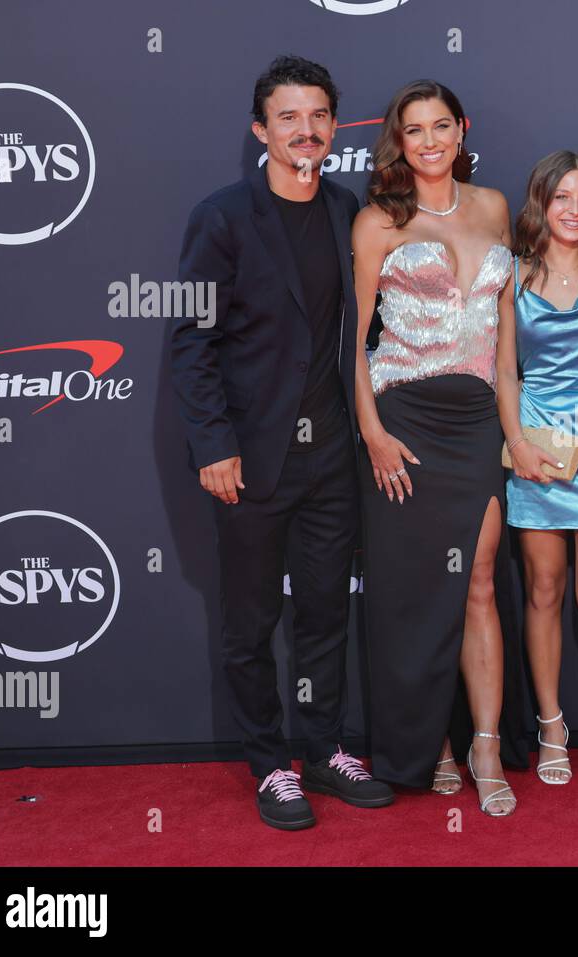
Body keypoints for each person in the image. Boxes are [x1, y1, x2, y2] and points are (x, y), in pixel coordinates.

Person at [168, 55, 393, 830]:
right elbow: (191, 342)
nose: (307, 129)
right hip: (250, 460)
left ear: (335, 127)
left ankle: (324, 748)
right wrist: (214, 444)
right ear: (260, 129)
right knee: (250, 621)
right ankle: (270, 764)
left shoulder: (345, 209)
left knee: (326, 612)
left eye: (319, 116)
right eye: (289, 117)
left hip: (331, 455)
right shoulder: (222, 217)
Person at [352, 79, 527, 817]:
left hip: (475, 419)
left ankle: (484, 743)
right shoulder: (377, 223)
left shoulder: (492, 207)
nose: (428, 141)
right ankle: (432, 745)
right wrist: (373, 433)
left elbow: (506, 343)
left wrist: (513, 434)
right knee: (417, 594)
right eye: (413, 130)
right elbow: (353, 341)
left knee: (481, 580)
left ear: (462, 129)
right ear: (400, 138)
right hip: (405, 417)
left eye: (440, 126)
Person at [497, 150, 578, 788]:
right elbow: (503, 371)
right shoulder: (513, 277)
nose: (574, 211)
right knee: (543, 592)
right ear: (540, 205)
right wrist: (517, 442)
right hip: (536, 445)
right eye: (561, 199)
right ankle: (552, 724)